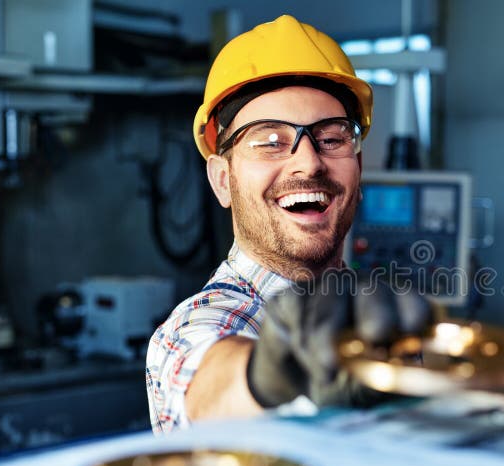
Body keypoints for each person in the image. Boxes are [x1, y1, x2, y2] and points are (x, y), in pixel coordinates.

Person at [146, 15, 431, 434]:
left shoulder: (375, 314)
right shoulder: (202, 322)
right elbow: (210, 388)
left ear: (358, 168)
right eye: (270, 141)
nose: (309, 161)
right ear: (223, 181)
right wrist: (275, 371)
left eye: (332, 139)